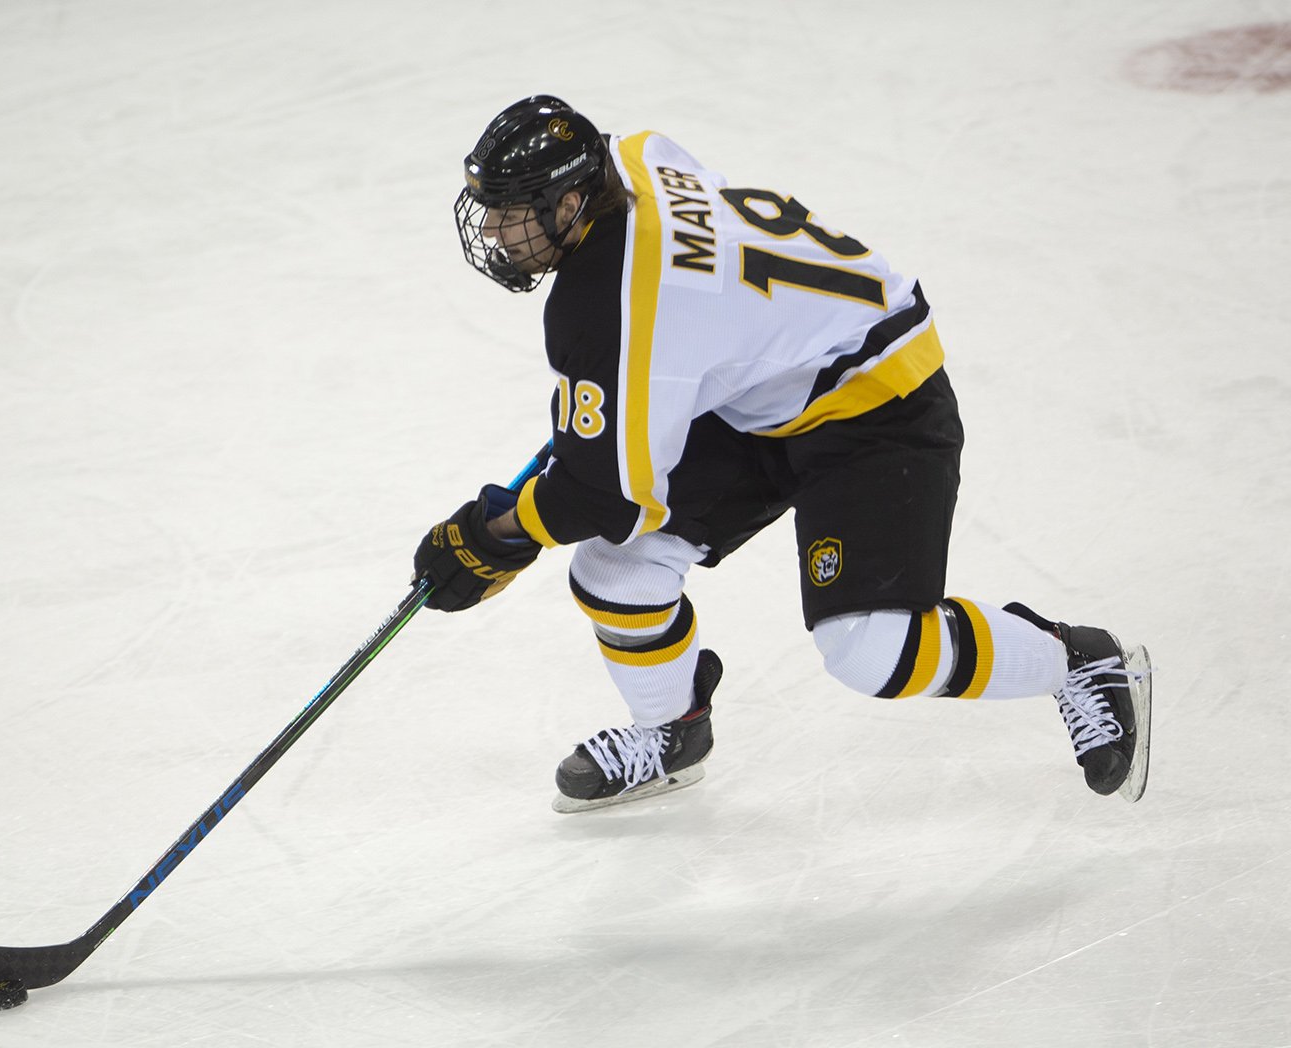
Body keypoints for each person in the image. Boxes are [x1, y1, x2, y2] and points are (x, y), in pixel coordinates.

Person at [413, 96, 1151, 813]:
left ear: (570, 205)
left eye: (509, 210)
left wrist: (494, 535)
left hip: (879, 400)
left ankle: (1078, 659)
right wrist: (621, 404)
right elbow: (679, 313)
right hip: (772, 386)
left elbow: (610, 495)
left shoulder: (608, 309)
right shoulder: (634, 155)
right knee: (616, 569)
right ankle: (673, 734)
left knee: (871, 650)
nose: (492, 228)